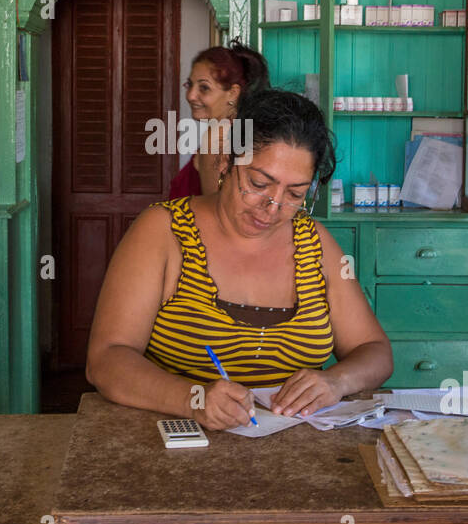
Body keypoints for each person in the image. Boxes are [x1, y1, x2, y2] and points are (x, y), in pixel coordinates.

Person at [87, 89, 393, 430]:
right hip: (180, 448)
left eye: (295, 194)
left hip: (296, 452)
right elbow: (106, 359)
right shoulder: (163, 231)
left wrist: (337, 382)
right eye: (259, 183)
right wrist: (194, 398)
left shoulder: (315, 243)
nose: (274, 206)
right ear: (225, 164)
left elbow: (375, 350)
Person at [168, 41, 270, 198]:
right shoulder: (239, 130)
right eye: (190, 84)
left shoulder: (218, 136)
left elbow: (215, 213)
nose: (191, 96)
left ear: (233, 93)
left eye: (204, 88)